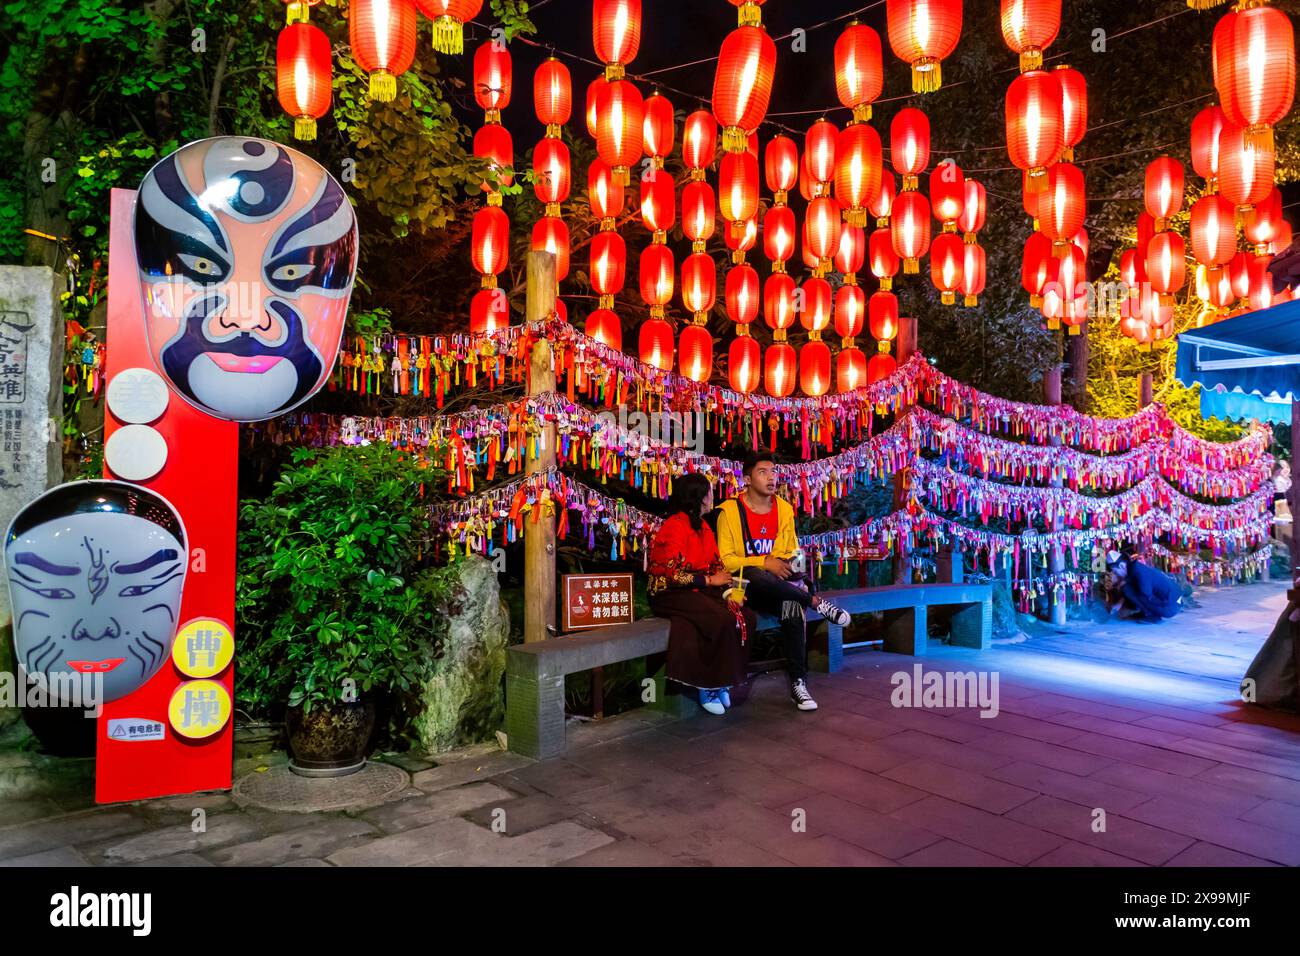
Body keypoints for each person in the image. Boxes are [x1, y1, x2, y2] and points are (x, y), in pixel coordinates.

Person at [713, 452, 852, 712]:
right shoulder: (729, 512)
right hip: (745, 589)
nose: (771, 477)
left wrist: (787, 563)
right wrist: (765, 562)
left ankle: (799, 683)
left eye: (773, 472)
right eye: (763, 472)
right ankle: (815, 602)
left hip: (779, 589)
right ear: (747, 478)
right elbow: (726, 559)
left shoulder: (784, 510)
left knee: (791, 610)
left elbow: (791, 550)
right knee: (756, 574)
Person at [647, 473, 755, 715]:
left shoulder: (704, 525)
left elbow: (716, 564)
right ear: (699, 497)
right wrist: (709, 580)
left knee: (744, 615)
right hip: (669, 592)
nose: (712, 496)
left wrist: (728, 591)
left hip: (698, 588)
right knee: (718, 618)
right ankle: (708, 685)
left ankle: (724, 679)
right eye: (709, 491)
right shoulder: (674, 526)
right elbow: (672, 575)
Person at [1104, 549, 1183, 621]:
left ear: (1121, 566)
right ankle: (1148, 612)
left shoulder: (1140, 573)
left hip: (1170, 607)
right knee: (1128, 588)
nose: (1115, 574)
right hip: (1173, 603)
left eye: (1115, 571)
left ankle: (1152, 615)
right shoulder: (1136, 569)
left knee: (1129, 590)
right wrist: (1119, 604)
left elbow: (1147, 595)